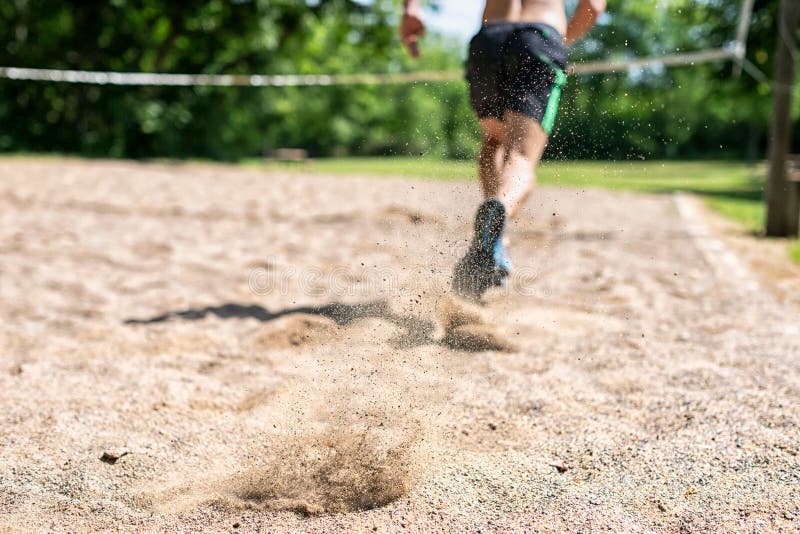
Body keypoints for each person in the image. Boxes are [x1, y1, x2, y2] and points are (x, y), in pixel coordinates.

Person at [401, 0, 606, 298]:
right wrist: (560, 39)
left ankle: (494, 244)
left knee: (494, 142)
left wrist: (412, 8)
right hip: (538, 36)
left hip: (489, 38)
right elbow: (594, 6)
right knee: (520, 157)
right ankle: (498, 220)